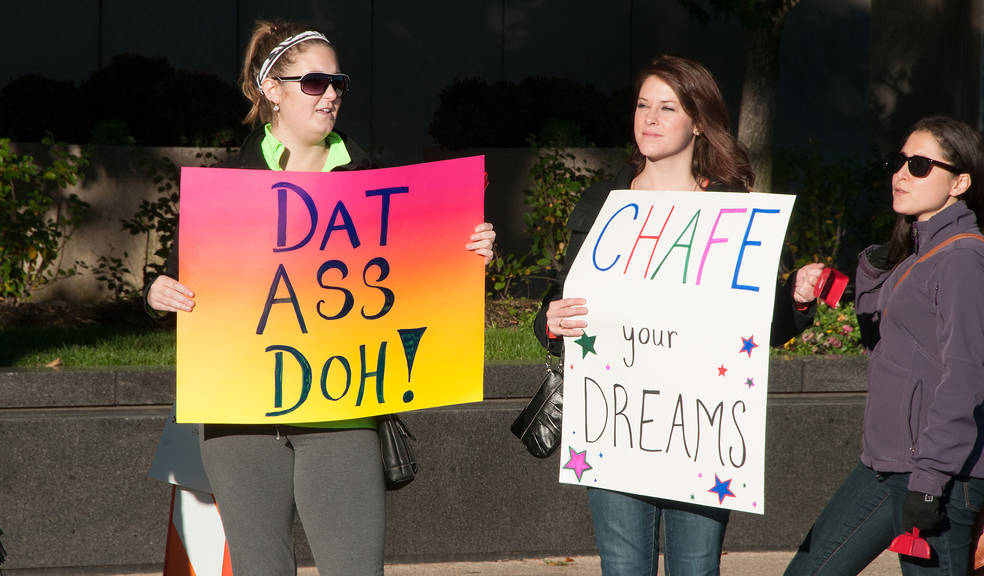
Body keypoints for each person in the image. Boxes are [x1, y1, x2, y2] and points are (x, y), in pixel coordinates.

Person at [145, 21, 495, 576]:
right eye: (314, 82)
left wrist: (468, 250)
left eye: (338, 83)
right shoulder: (224, 188)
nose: (330, 93)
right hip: (238, 417)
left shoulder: (376, 186)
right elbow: (180, 281)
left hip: (341, 411)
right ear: (272, 90)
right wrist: (157, 294)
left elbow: (418, 273)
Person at [533, 54, 822, 576]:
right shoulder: (603, 204)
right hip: (616, 425)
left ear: (698, 122)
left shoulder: (733, 210)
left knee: (695, 567)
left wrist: (797, 299)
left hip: (698, 431)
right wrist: (551, 322)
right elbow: (561, 308)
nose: (650, 118)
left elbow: (762, 326)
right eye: (643, 105)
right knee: (623, 567)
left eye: (667, 108)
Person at [784, 116, 984, 575]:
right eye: (898, 161)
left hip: (939, 475)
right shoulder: (921, 253)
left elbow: (967, 375)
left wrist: (931, 480)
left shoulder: (963, 257)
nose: (901, 174)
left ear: (960, 182)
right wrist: (874, 272)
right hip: (885, 465)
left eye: (919, 165)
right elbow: (887, 348)